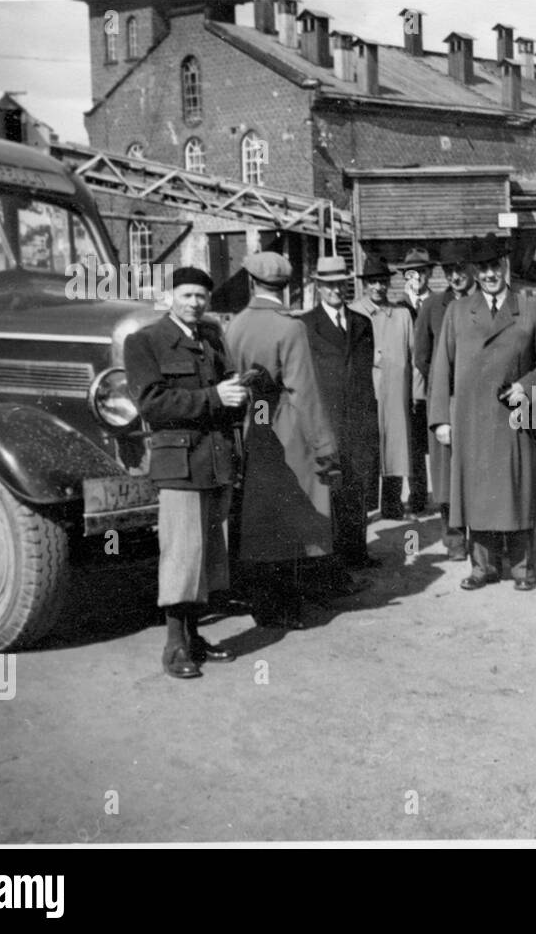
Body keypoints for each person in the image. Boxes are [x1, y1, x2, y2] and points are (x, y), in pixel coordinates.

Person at [124, 266, 247, 679]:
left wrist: (239, 393)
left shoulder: (211, 336)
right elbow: (152, 403)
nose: (195, 303)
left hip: (215, 461)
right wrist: (214, 397)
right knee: (181, 556)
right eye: (187, 295)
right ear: (169, 297)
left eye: (201, 296)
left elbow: (226, 389)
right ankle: (175, 647)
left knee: (208, 556)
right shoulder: (145, 341)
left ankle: (195, 638)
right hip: (179, 464)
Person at [428, 234, 536, 592]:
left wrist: (527, 387)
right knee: (477, 493)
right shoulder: (458, 311)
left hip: (514, 418)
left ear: (505, 267)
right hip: (471, 420)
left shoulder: (530, 309)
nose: (489, 275)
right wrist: (440, 419)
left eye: (494, 267)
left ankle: (522, 567)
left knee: (516, 491)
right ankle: (482, 567)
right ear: (475, 272)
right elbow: (441, 368)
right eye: (482, 269)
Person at [225, 251, 341, 629]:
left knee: (259, 513)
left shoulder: (236, 325)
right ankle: (286, 606)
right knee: (293, 514)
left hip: (251, 422)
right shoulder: (289, 327)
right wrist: (325, 447)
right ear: (287, 286)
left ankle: (262, 602)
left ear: (251, 282)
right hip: (285, 426)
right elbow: (304, 392)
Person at [303, 255, 381, 575]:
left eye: (340, 283)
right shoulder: (306, 325)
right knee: (332, 489)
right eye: (328, 284)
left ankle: (357, 553)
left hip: (360, 419)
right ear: (319, 287)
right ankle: (332, 563)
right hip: (328, 420)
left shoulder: (363, 324)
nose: (335, 289)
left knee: (358, 485)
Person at [415, 242, 473, 560]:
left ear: (471, 270)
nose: (455, 276)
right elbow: (421, 356)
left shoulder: (483, 303)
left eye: (460, 270)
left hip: (478, 402)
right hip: (445, 401)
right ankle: (454, 541)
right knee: (446, 474)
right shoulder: (434, 306)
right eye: (449, 271)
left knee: (477, 472)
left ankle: (481, 536)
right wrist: (444, 382)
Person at [349, 255, 414, 521]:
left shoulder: (402, 315)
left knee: (397, 447)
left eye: (382, 282)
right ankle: (365, 506)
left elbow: (412, 355)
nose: (378, 287)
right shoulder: (353, 313)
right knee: (366, 449)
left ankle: (392, 504)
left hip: (396, 393)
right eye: (373, 282)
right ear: (365, 285)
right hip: (367, 392)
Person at [395, 246, 434, 515]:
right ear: (404, 277)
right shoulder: (398, 308)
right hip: (409, 387)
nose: (417, 277)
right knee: (413, 446)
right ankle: (418, 496)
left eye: (421, 272)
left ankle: (447, 497)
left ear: (429, 273)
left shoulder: (440, 304)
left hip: (435, 383)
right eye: (411, 273)